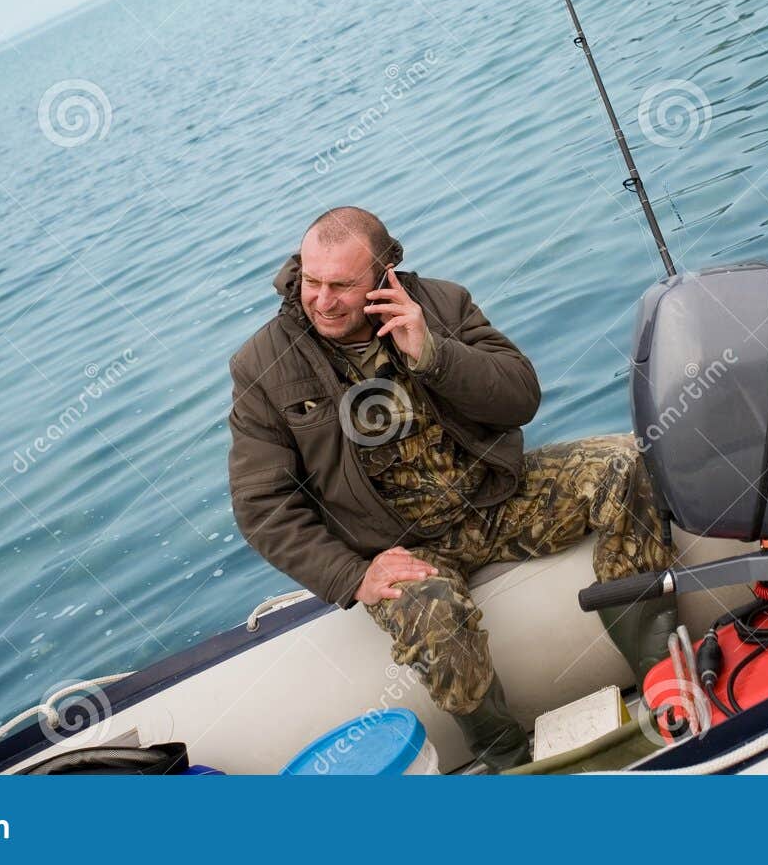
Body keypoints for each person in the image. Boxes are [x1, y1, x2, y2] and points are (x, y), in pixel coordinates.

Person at [226, 205, 676, 770]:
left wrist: (433, 354)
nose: (321, 299)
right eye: (311, 281)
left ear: (384, 271)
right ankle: (510, 761)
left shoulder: (441, 304)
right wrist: (352, 575)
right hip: (405, 550)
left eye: (341, 285)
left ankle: (662, 680)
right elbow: (261, 505)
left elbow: (521, 397)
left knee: (622, 464)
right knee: (432, 614)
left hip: (496, 498)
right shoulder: (262, 365)